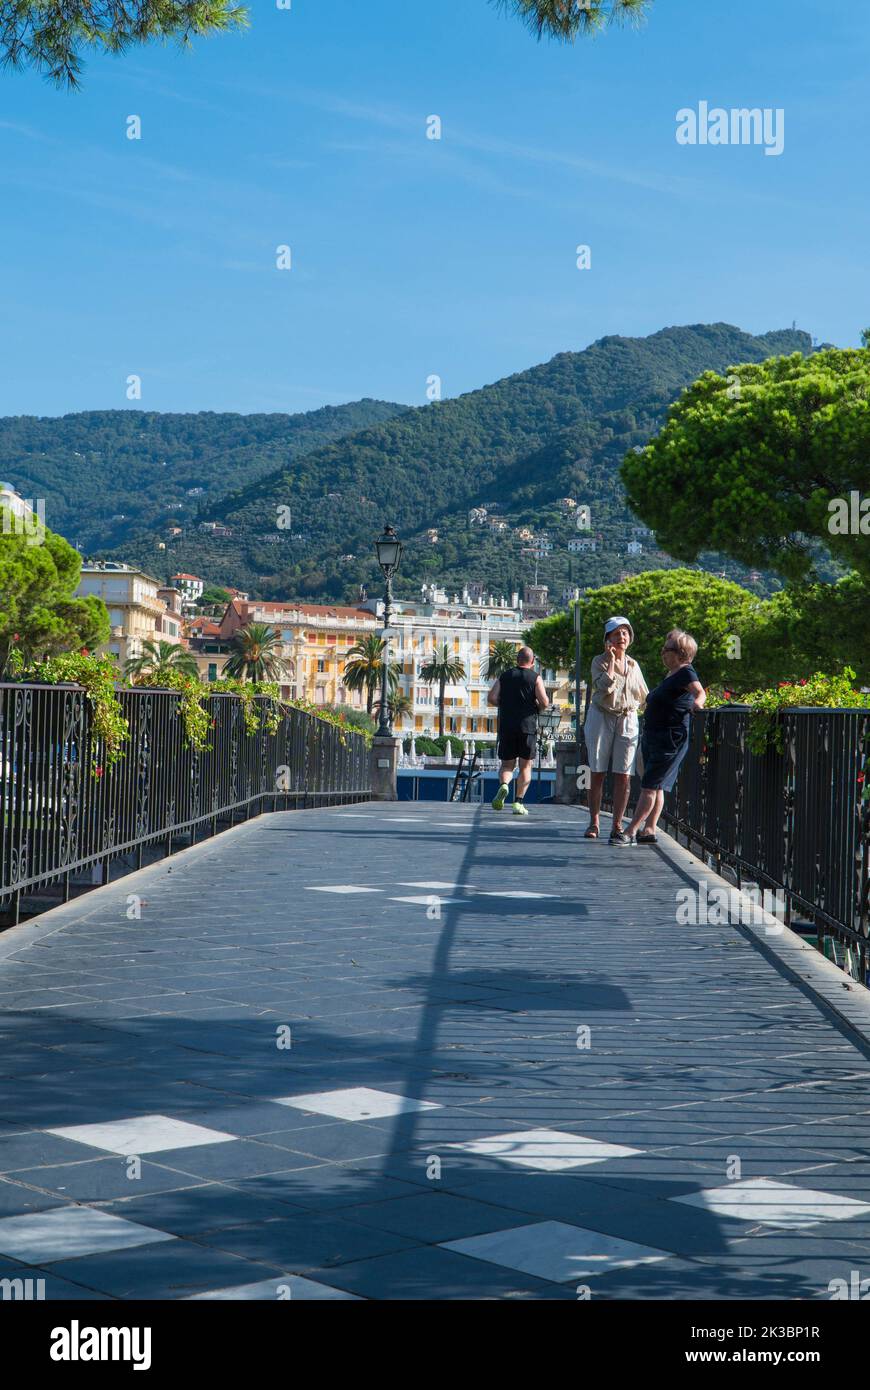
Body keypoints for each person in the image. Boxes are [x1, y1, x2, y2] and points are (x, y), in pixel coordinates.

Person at [622, 628, 706, 845]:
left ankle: (630, 830)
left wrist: (698, 704)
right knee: (657, 785)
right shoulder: (673, 674)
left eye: (666, 649)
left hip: (670, 737)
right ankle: (649, 829)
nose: (662, 652)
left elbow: (700, 692)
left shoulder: (686, 672)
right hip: (656, 734)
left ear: (681, 653)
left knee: (649, 785)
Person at [583, 616, 648, 842]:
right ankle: (594, 821)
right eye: (616, 633)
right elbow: (604, 685)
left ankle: (618, 824)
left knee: (624, 775)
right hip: (601, 717)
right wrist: (611, 660)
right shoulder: (598, 661)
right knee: (597, 772)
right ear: (608, 638)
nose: (622, 637)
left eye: (625, 633)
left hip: (628, 718)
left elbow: (644, 695)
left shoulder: (634, 665)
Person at [487, 646, 549, 816]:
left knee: (507, 764)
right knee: (525, 766)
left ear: (517, 660)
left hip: (507, 726)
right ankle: (518, 802)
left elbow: (491, 698)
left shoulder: (505, 676)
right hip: (527, 727)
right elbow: (544, 702)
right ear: (532, 661)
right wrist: (536, 705)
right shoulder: (535, 677)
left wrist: (506, 704)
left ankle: (504, 786)